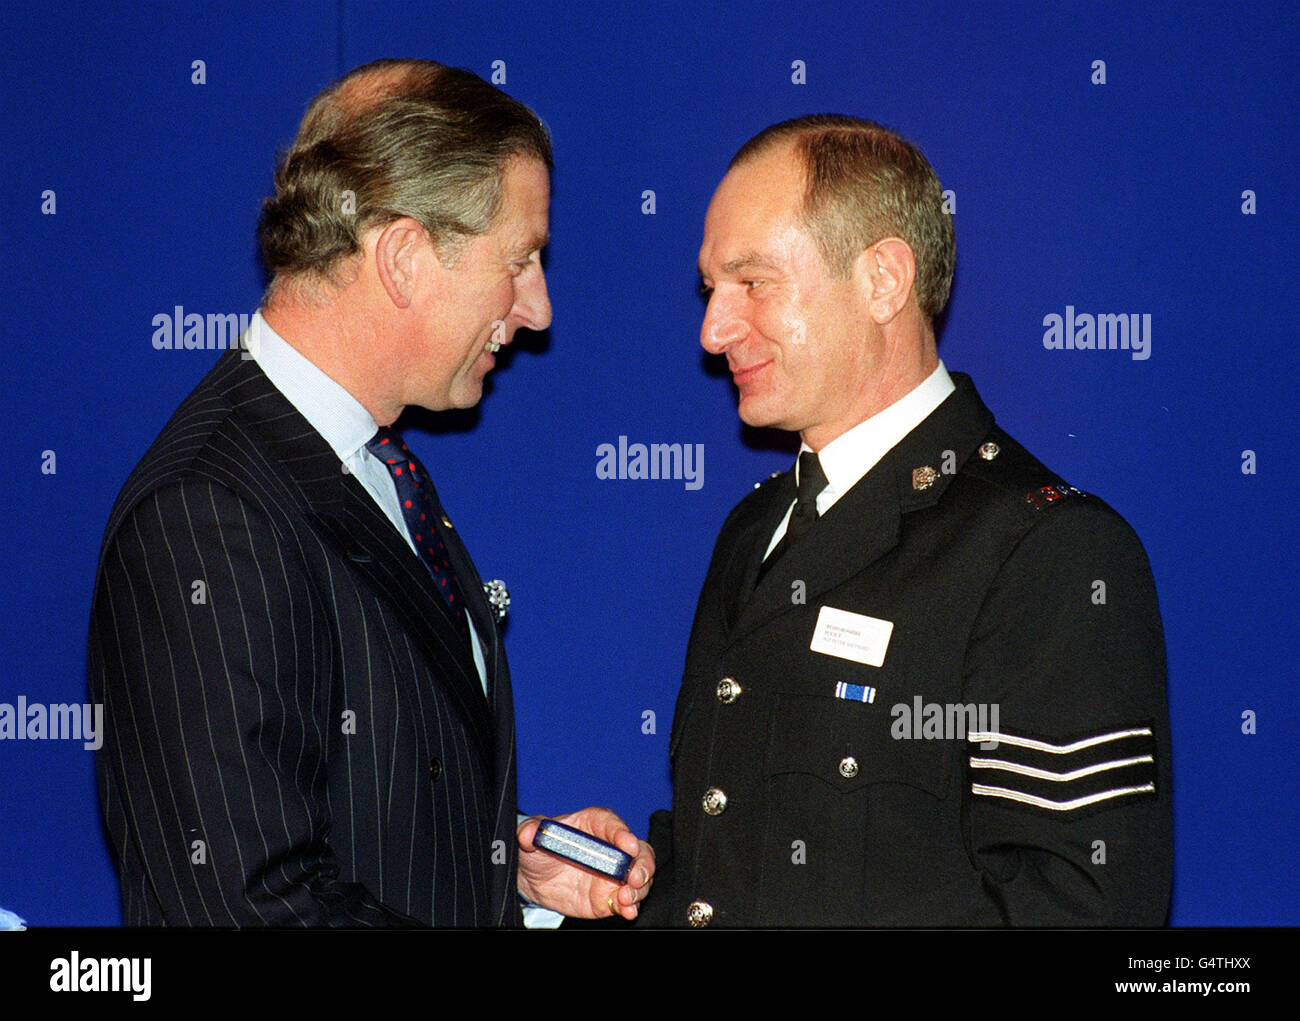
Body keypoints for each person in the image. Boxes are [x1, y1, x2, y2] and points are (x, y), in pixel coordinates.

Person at [87, 59, 651, 927]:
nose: (537, 307)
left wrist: (507, 866)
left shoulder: (376, 467)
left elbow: (352, 807)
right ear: (403, 258)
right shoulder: (208, 515)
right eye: (522, 258)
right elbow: (247, 907)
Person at [639, 115, 1171, 927]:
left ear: (884, 279)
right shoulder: (754, 531)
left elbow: (1077, 911)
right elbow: (726, 862)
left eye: (752, 283)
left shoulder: (1047, 550)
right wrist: (623, 884)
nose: (713, 330)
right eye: (712, 288)